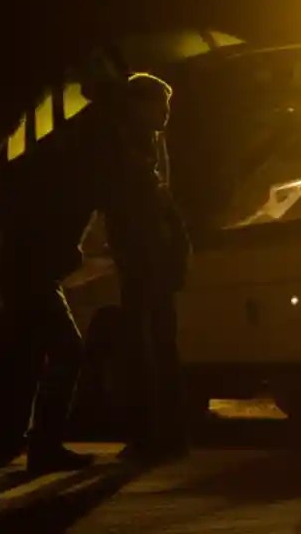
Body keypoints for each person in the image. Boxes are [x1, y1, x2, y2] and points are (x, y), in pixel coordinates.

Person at [0, 100, 106, 473]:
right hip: (32, 270)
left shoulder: (39, 158)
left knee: (26, 351)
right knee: (67, 349)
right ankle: (44, 445)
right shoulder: (71, 166)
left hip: (22, 266)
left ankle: (4, 439)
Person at [103, 73, 191, 463]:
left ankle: (156, 434)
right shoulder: (131, 150)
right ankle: (160, 434)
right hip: (146, 258)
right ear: (138, 106)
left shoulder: (145, 147)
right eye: (160, 105)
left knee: (150, 347)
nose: (167, 114)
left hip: (149, 260)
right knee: (151, 347)